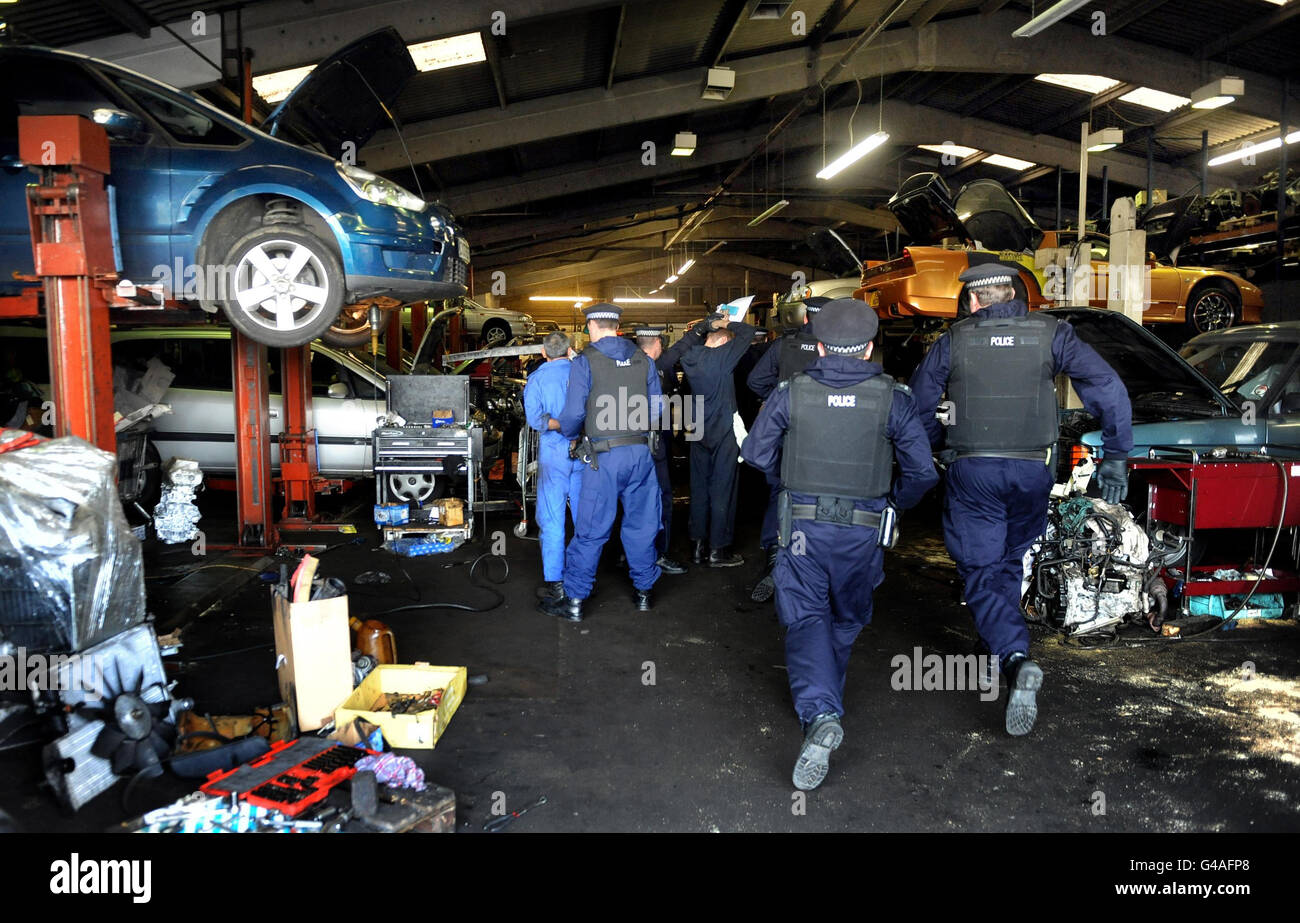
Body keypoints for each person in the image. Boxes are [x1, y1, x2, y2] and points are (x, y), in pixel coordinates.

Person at [910, 262, 1133, 736]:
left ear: (972, 300)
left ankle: (1014, 657)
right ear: (1015, 295)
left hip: (974, 473)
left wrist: (930, 447)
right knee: (1010, 560)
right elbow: (1109, 389)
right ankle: (995, 638)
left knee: (981, 567)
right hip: (1034, 470)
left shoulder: (953, 341)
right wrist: (1115, 456)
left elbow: (921, 406)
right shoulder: (1053, 333)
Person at [742, 298, 938, 791]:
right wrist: (893, 503)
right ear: (869, 347)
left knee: (806, 614)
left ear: (821, 345)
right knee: (848, 616)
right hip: (864, 530)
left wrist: (788, 483)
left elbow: (755, 454)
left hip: (803, 527)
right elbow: (921, 472)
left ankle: (822, 709)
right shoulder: (894, 397)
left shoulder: (792, 392)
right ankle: (822, 703)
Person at [537, 303, 662, 621]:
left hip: (603, 458)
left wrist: (571, 432)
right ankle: (644, 593)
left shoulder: (586, 360)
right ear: (617, 326)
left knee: (591, 528)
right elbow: (657, 408)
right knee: (642, 524)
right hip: (640, 454)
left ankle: (576, 602)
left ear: (592, 326)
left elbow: (574, 413)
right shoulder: (642, 359)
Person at [746, 296, 830, 602]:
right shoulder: (834, 349)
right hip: (821, 436)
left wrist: (776, 399)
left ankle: (774, 555)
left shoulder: (784, 345)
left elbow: (755, 381)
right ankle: (809, 559)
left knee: (779, 492)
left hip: (786, 432)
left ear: (806, 317)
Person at [677, 309, 756, 567]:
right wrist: (727, 321)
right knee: (723, 488)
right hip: (722, 430)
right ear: (723, 340)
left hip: (696, 429)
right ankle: (717, 550)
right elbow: (749, 332)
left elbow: (688, 339)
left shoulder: (691, 356)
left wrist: (707, 324)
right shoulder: (725, 356)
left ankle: (697, 546)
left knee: (698, 488)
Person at [523, 331, 584, 603]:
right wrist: (575, 428)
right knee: (585, 517)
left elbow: (537, 420)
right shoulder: (584, 373)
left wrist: (561, 425)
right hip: (585, 450)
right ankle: (583, 578)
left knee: (552, 518)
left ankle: (556, 584)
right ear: (570, 349)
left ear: (543, 353)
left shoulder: (536, 379)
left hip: (553, 451)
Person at [634, 324, 697, 574]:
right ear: (657, 344)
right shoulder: (659, 366)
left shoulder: (627, 366)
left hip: (631, 445)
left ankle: (631, 553)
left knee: (634, 500)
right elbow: (671, 398)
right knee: (662, 498)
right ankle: (658, 554)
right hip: (654, 442)